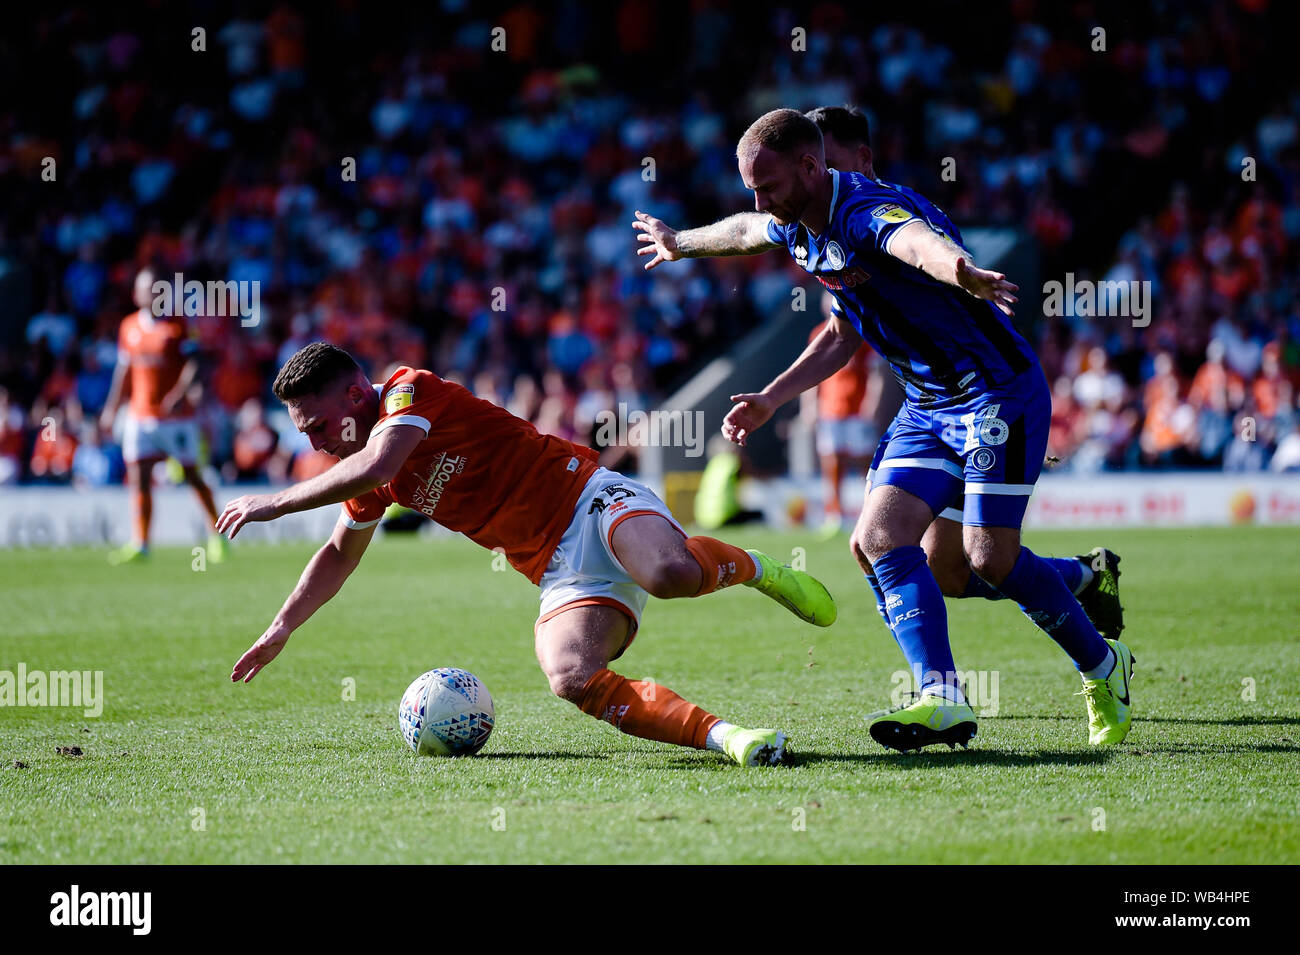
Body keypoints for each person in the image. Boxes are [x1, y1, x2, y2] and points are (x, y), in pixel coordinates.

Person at [633, 108, 1134, 751]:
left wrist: (961, 269)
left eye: (769, 185)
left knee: (988, 558)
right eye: (752, 186)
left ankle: (1102, 666)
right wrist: (684, 248)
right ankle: (944, 699)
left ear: (813, 167)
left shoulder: (866, 211)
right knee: (880, 541)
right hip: (928, 406)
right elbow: (749, 236)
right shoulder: (800, 225)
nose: (761, 200)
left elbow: (916, 243)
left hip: (994, 397)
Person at [216, 342, 837, 767]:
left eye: (318, 427)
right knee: (570, 677)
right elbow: (338, 553)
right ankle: (731, 740)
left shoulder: (409, 391)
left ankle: (756, 568)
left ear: (356, 395)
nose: (317, 444)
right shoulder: (368, 476)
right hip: (556, 566)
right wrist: (281, 626)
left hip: (589, 495)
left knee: (671, 572)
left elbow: (380, 460)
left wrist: (274, 503)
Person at [99, 267, 224, 563]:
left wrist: (179, 393)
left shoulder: (179, 324)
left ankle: (217, 535)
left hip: (176, 419)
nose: (154, 294)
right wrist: (111, 408)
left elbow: (195, 362)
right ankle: (141, 542)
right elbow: (124, 371)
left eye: (159, 289)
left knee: (193, 477)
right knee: (138, 478)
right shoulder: (129, 327)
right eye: (148, 289)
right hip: (140, 417)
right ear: (136, 294)